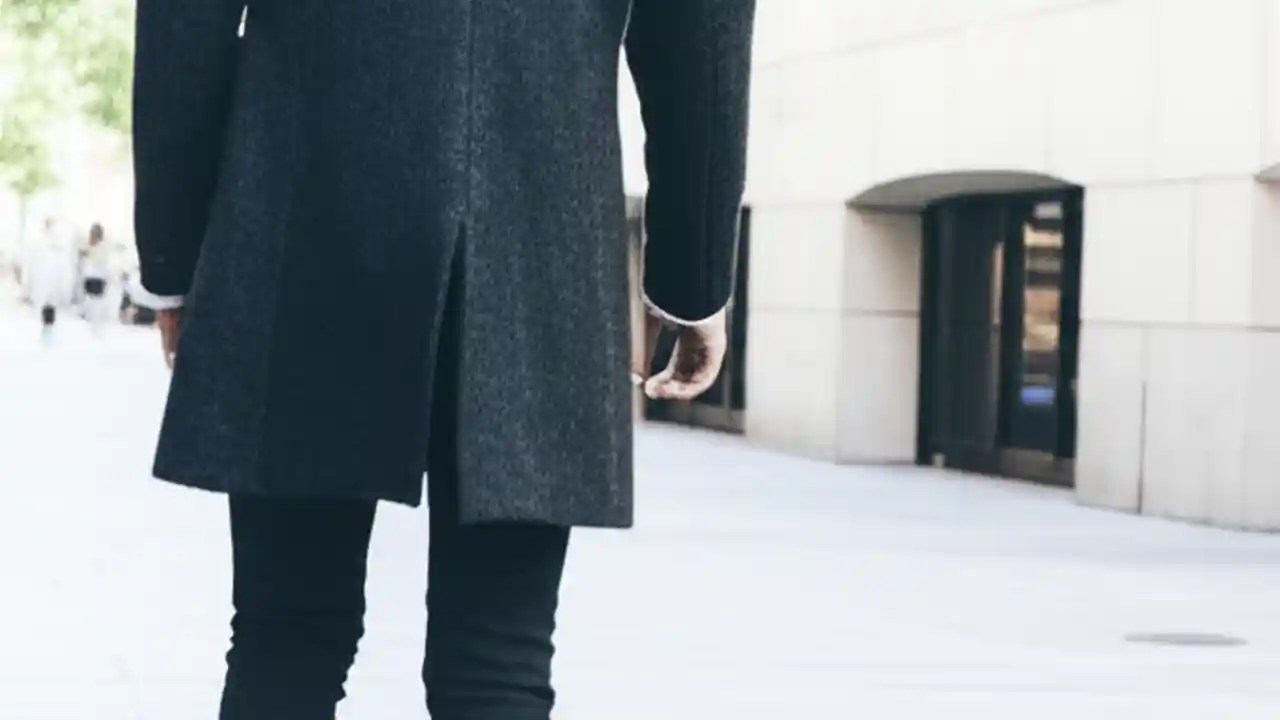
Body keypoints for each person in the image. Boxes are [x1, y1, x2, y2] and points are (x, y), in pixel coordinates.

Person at [132, 1, 755, 718]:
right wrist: (693, 275)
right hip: (540, 200)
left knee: (286, 634)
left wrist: (175, 256)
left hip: (305, 187)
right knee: (499, 662)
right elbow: (702, 25)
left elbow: (184, 19)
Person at [21, 217, 75, 344]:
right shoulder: (38, 241)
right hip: (43, 277)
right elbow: (32, 261)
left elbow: (63, 262)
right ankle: (46, 327)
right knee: (45, 302)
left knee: (51, 302)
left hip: (52, 277)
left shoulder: (58, 242)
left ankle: (49, 327)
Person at [79, 223, 119, 331]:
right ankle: (92, 320)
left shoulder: (97, 246)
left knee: (93, 300)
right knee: (93, 300)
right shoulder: (97, 246)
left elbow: (99, 260)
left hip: (94, 275)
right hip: (94, 276)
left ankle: (91, 320)